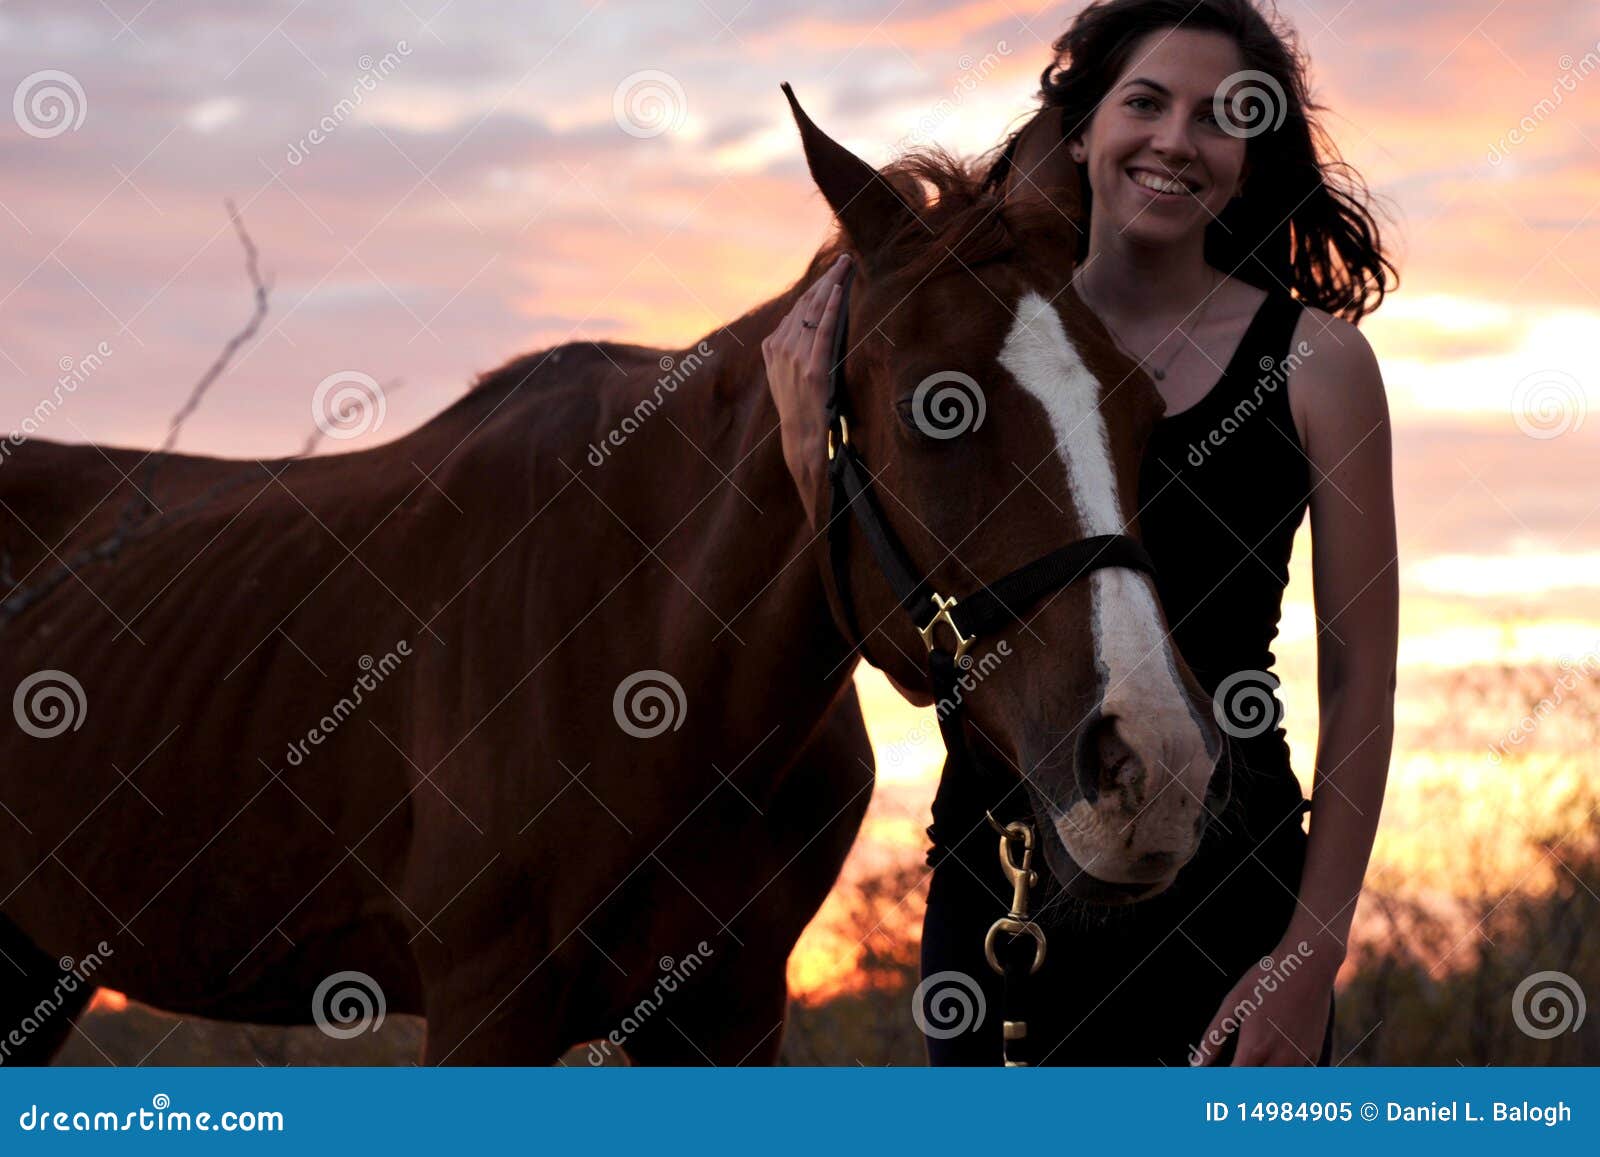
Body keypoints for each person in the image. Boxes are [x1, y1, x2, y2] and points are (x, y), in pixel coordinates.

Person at [762, 0, 1398, 1066]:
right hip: (999, 890)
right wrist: (808, 454)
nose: (1176, 140)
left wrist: (1309, 952)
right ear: (1081, 129)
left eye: (1220, 117)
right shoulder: (984, 339)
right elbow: (914, 657)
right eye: (1145, 103)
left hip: (1227, 894)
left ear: (1250, 157)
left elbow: (1361, 678)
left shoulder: (1316, 365)